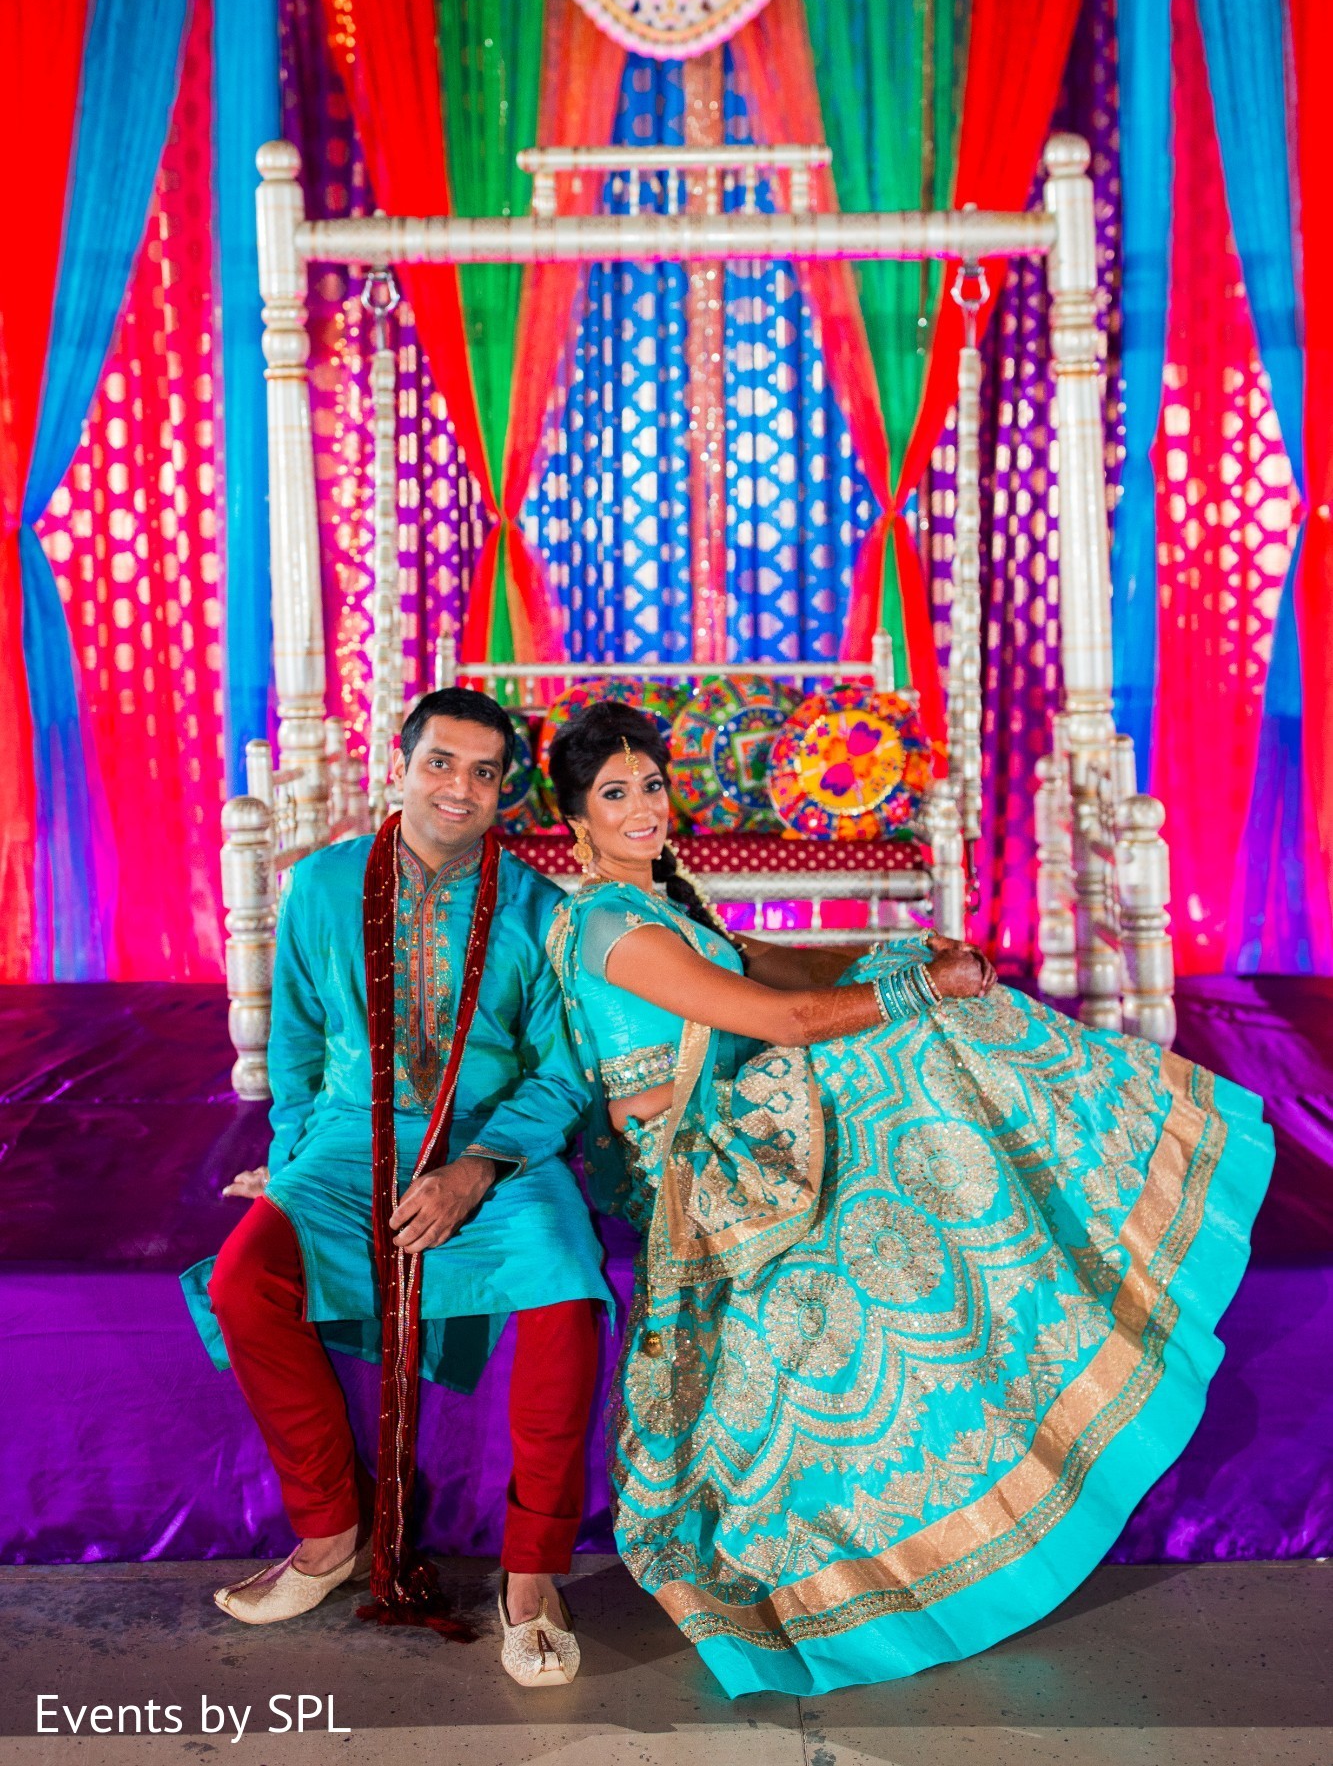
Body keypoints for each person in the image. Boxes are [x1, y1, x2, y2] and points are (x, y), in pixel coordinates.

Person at [544, 701, 1273, 1699]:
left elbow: (783, 967)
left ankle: (1064, 1228)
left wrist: (899, 962)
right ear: (574, 817)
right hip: (703, 1165)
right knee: (918, 1047)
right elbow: (778, 1015)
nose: (644, 808)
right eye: (615, 794)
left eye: (653, 785)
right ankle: (1091, 1193)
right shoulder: (603, 923)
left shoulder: (666, 902)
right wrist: (916, 995)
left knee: (922, 1008)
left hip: (745, 1114)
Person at [182, 688, 611, 1688]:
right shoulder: (320, 885)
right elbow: (294, 1046)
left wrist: (474, 1168)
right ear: (399, 761)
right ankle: (332, 1533)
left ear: (507, 788)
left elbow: (561, 1071)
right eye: (441, 762)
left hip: (496, 1148)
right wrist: (292, 1167)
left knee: (566, 1289)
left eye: (484, 771)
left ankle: (533, 1573)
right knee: (247, 1280)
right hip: (344, 1138)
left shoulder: (541, 907)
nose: (458, 788)